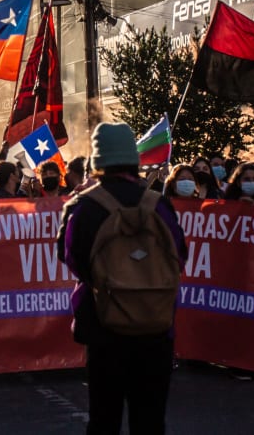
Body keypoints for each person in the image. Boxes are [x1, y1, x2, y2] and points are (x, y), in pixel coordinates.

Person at [57, 123, 187, 435]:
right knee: (150, 419)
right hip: (156, 325)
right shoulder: (159, 204)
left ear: (96, 160)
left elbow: (71, 257)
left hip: (104, 325)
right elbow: (179, 255)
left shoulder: (83, 206)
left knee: (104, 418)